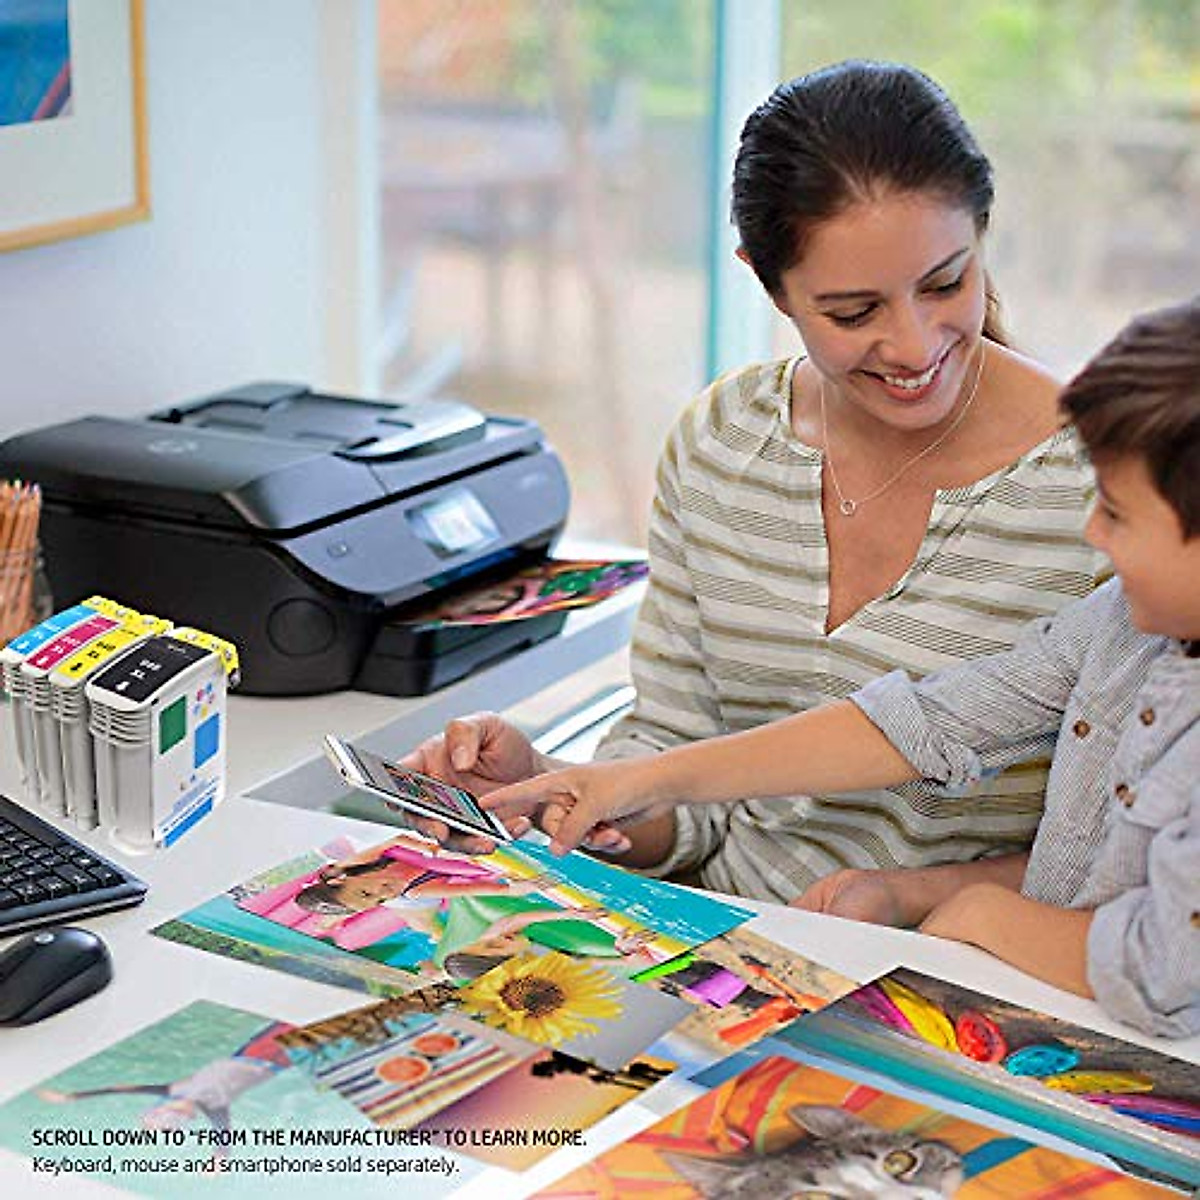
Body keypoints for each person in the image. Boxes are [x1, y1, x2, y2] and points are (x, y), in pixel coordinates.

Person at [403, 59, 1105, 904]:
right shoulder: (723, 441)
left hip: (971, 957)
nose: (915, 345)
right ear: (769, 285)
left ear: (983, 237)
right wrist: (555, 788)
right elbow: (679, 771)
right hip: (727, 935)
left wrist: (918, 897)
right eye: (853, 312)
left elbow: (1143, 853)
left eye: (945, 283)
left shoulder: (1116, 484)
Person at [480, 299, 1200, 1038]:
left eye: (1117, 514)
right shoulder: (1117, 626)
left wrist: (980, 911)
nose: (1093, 532)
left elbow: (1161, 972)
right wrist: (640, 779)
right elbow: (926, 721)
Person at [238, 832, 549, 952]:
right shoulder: (413, 890)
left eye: (366, 893)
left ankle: (335, 918)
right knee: (422, 921)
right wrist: (513, 889)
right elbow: (476, 888)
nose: (379, 894)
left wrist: (430, 850)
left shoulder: (355, 863)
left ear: (340, 880)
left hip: (400, 885)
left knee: (406, 911)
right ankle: (435, 934)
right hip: (411, 898)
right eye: (373, 899)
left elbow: (393, 840)